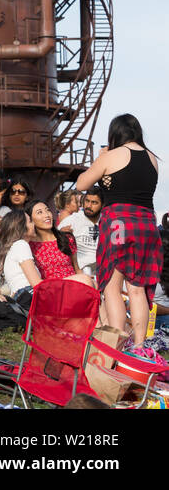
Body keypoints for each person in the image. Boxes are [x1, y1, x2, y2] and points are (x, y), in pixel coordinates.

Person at [76, 114, 161, 348]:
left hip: (119, 223)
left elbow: (82, 184)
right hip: (146, 224)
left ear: (115, 134)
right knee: (137, 288)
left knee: (112, 286)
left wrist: (100, 159)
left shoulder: (113, 155)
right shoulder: (152, 158)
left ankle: (115, 345)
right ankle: (140, 348)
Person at [25, 198, 93, 288]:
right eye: (39, 212)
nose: (46, 215)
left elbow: (76, 268)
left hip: (75, 286)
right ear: (30, 220)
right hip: (52, 291)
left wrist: (87, 278)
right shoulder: (29, 246)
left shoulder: (67, 238)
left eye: (47, 210)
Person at [58, 188, 102, 277]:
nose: (89, 206)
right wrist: (60, 235)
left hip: (103, 268)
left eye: (94, 203)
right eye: (87, 201)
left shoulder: (107, 221)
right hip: (81, 269)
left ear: (102, 205)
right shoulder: (72, 220)